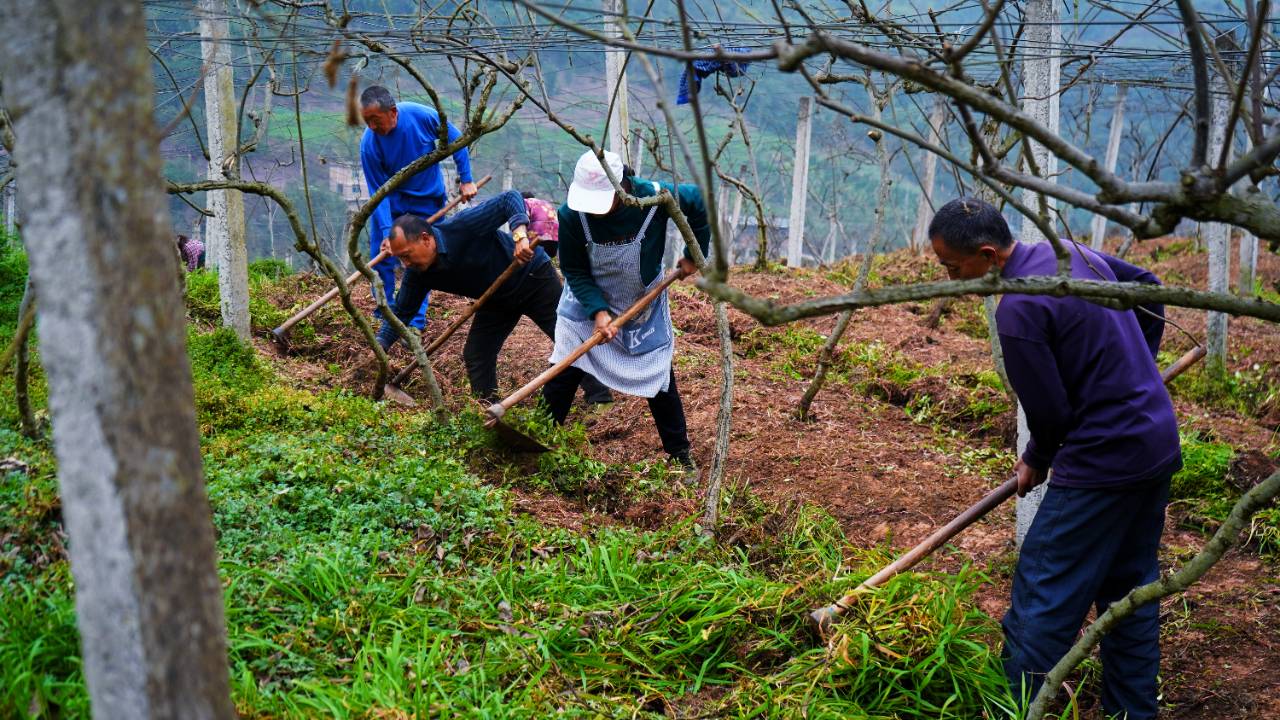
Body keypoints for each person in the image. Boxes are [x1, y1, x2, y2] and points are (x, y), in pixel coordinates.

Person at [927, 197, 1181, 719]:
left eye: (955, 269)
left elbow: (1051, 416)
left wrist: (1036, 457)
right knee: (1129, 592)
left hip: (1102, 467)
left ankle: (1013, 709)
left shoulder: (1018, 311)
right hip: (1155, 445)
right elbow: (1151, 290)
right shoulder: (1071, 253)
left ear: (988, 253)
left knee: (1043, 597)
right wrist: (1137, 373)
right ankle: (1132, 713)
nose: (954, 281)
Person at [541, 149, 709, 470]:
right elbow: (574, 270)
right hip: (586, 298)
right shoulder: (572, 214)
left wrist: (694, 253)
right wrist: (598, 312)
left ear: (622, 189)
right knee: (566, 365)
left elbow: (699, 202)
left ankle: (680, 455)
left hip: (640, 300)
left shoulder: (655, 197)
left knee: (658, 375)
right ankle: (539, 436)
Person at [377, 189, 608, 404]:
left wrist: (520, 236)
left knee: (565, 336)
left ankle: (599, 396)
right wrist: (379, 345)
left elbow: (510, 198)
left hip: (533, 277)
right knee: (477, 355)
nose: (405, 264)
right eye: (400, 259)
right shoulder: (417, 275)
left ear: (426, 239)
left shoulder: (463, 227)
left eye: (407, 255)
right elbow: (402, 313)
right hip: (495, 298)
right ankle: (489, 409)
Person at [360, 85, 476, 336]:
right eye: (366, 121)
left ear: (392, 112)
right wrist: (385, 232)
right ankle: (386, 311)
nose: (372, 127)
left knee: (421, 261)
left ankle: (414, 320)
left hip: (427, 204)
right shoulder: (369, 144)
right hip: (393, 207)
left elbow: (457, 140)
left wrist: (466, 179)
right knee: (380, 260)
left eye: (376, 120)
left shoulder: (420, 116)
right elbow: (377, 193)